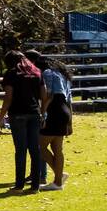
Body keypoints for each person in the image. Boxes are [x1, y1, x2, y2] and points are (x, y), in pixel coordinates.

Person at [0, 50, 47, 193]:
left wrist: (0, 118)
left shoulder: (11, 73)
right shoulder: (36, 72)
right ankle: (35, 186)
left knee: (21, 150)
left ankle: (19, 185)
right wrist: (43, 113)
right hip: (34, 113)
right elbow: (44, 94)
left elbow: (8, 97)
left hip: (17, 114)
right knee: (35, 150)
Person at [29, 50, 72, 191]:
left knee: (38, 146)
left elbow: (49, 95)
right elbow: (69, 99)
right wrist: (70, 121)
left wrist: (43, 114)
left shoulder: (46, 73)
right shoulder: (62, 74)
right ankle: (58, 182)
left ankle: (59, 177)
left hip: (53, 111)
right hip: (64, 110)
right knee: (57, 149)